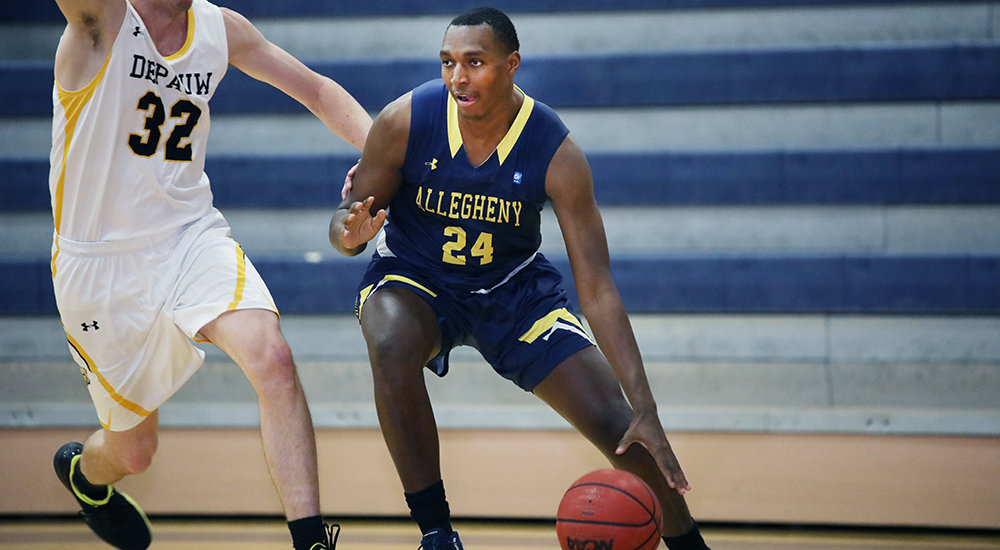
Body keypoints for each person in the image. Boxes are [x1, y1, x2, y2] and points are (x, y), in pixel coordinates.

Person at [329, 7, 711, 550]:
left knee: (616, 422)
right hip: (417, 278)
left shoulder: (555, 150)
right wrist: (349, 234)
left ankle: (691, 544)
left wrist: (645, 406)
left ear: (511, 66)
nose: (458, 77)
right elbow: (342, 223)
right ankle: (437, 535)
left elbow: (597, 288)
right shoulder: (405, 120)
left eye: (475, 63)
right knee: (388, 339)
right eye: (447, 63)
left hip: (514, 291)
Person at [47, 0, 371, 548]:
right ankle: (85, 476)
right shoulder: (100, 18)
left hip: (188, 236)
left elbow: (317, 90)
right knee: (133, 453)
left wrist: (380, 156)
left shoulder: (220, 28)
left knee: (271, 355)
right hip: (98, 267)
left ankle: (311, 540)